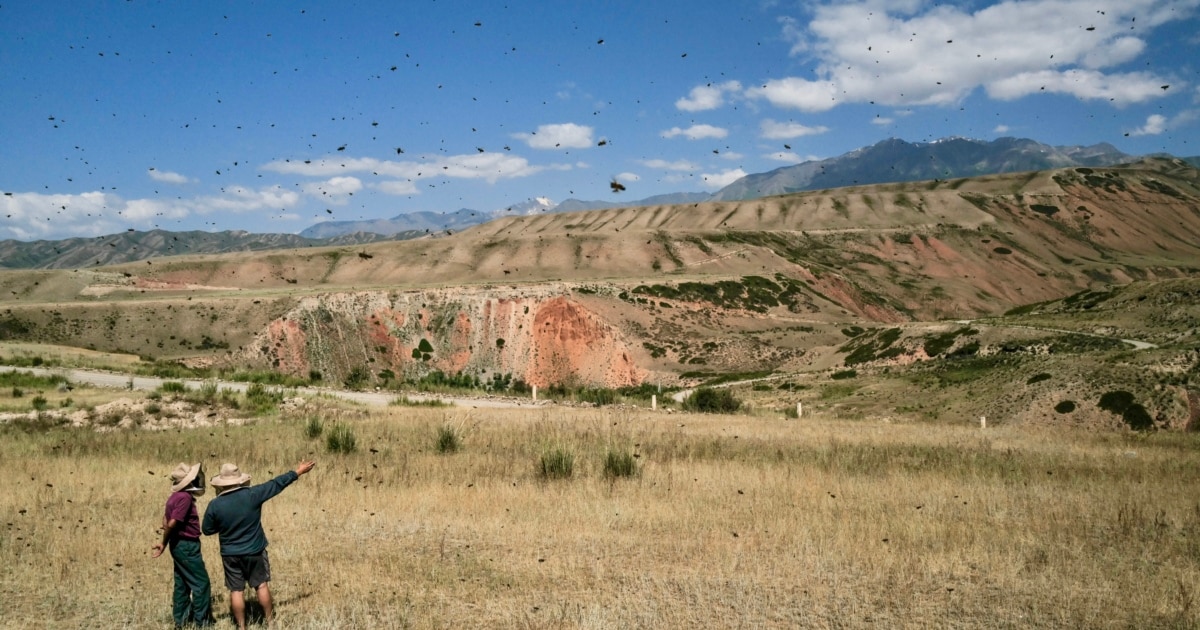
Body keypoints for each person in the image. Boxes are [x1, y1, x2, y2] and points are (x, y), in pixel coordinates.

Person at [202, 460, 316, 630]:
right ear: (240, 480)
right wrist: (297, 472)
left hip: (230, 554)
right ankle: (270, 622)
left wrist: (225, 525)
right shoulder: (253, 494)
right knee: (261, 585)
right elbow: (276, 484)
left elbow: (207, 530)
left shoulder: (215, 505)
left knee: (236, 591)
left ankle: (241, 627)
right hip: (255, 550)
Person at [152, 462, 214, 628]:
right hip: (187, 545)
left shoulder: (174, 497)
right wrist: (162, 543)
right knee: (202, 584)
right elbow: (172, 523)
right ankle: (202, 622)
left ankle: (181, 621)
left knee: (182, 583)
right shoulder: (185, 498)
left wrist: (166, 541)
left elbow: (165, 520)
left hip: (178, 544)